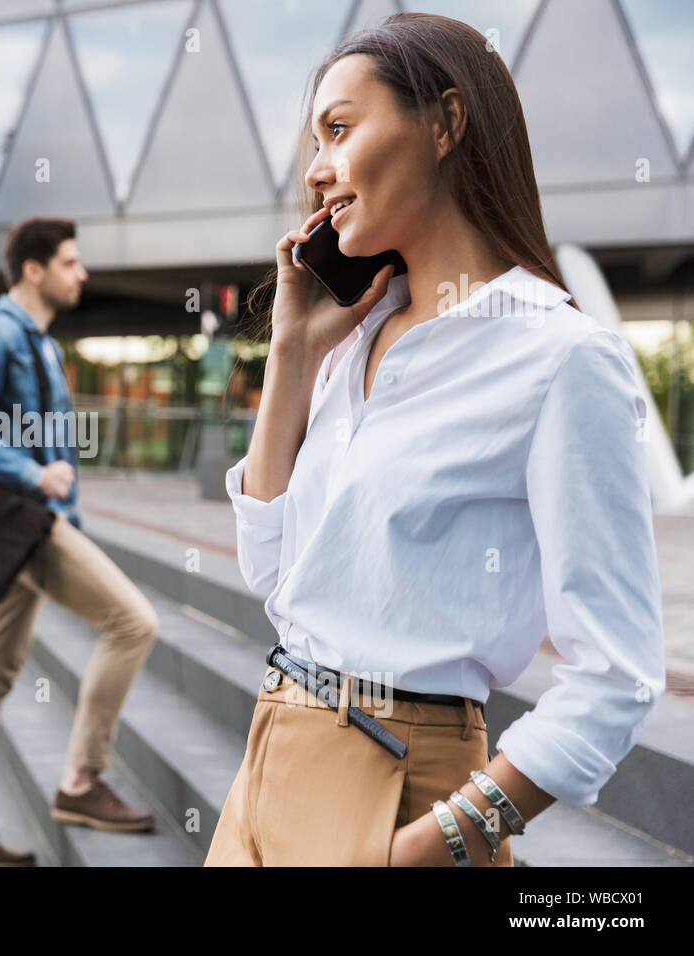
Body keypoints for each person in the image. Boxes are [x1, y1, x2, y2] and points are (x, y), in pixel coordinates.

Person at [205, 13, 665, 867]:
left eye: (339, 130)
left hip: (401, 783)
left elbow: (617, 673)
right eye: (316, 141)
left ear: (447, 123)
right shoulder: (353, 339)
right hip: (267, 763)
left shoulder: (561, 360)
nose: (315, 171)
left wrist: (441, 838)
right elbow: (270, 572)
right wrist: (294, 351)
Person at [0, 217, 160, 866]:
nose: (81, 273)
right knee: (134, 623)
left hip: (35, 523)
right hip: (24, 523)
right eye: (69, 262)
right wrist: (33, 474)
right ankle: (83, 781)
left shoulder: (44, 345)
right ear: (34, 270)